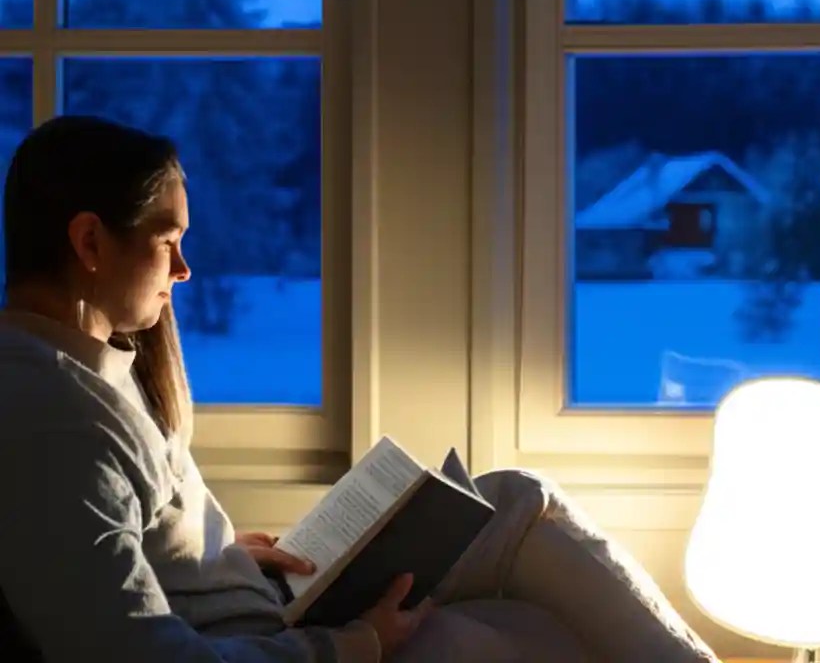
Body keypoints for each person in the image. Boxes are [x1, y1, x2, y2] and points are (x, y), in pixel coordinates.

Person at [0, 116, 719, 663]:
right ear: (90, 243)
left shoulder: (86, 369)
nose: (183, 270)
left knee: (515, 498)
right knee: (529, 631)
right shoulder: (50, 422)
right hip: (279, 639)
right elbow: (142, 654)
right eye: (166, 242)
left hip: (271, 603)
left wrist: (217, 554)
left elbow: (135, 539)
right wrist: (351, 645)